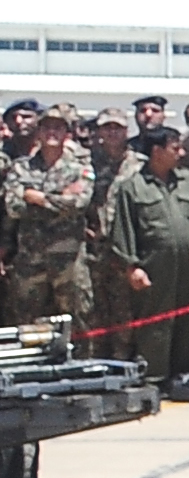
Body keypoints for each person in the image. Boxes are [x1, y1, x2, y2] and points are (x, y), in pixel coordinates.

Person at [98, 124, 189, 380]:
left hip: (186, 265)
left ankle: (184, 377)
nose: (180, 152)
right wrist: (131, 266)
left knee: (187, 320)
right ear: (157, 151)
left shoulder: (187, 181)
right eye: (174, 147)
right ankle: (155, 377)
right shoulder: (132, 187)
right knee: (156, 323)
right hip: (154, 264)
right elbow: (123, 229)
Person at [5, 102, 92, 325]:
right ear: (39, 132)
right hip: (31, 262)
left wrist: (37, 197)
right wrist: (59, 198)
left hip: (69, 263)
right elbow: (13, 208)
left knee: (77, 324)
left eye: (58, 128)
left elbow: (79, 203)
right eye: (46, 128)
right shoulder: (21, 168)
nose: (51, 132)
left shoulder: (81, 168)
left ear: (67, 134)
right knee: (27, 324)